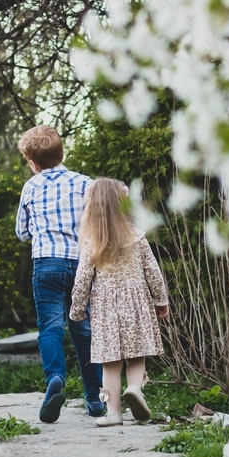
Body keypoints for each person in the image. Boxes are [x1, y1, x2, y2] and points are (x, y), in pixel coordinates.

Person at [16, 124, 104, 423]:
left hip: (47, 264)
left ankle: (55, 377)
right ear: (62, 152)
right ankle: (94, 398)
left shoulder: (31, 187)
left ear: (33, 163)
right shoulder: (84, 184)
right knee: (83, 331)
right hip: (81, 264)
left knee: (50, 327)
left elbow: (21, 232)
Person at [69, 178, 169, 427]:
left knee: (110, 362)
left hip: (105, 309)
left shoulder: (93, 243)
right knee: (136, 356)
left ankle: (113, 413)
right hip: (137, 305)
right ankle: (135, 388)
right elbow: (153, 272)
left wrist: (77, 309)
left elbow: (82, 280)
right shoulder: (137, 238)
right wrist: (161, 300)